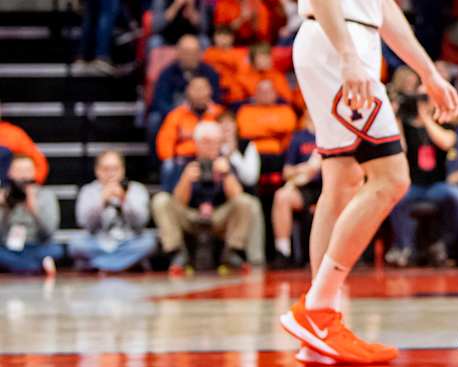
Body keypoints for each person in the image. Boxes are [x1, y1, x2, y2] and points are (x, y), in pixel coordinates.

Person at [278, 0, 458, 366]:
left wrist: (427, 70)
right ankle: (321, 309)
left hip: (349, 42)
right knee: (391, 177)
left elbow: (379, 5)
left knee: (340, 180)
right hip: (338, 45)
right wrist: (347, 55)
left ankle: (319, 327)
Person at [151, 120, 262, 274]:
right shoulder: (184, 163)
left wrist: (227, 174)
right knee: (161, 200)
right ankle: (177, 253)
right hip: (191, 215)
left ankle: (232, 252)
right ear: (195, 143)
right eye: (205, 142)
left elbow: (239, 198)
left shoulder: (227, 163)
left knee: (246, 202)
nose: (210, 147)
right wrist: (186, 180)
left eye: (214, 142)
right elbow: (177, 203)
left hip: (219, 216)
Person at [386, 92, 458, 268]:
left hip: (437, 185)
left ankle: (443, 245)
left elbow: (447, 142)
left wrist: (426, 118)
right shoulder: (405, 125)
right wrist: (395, 120)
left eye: (426, 97)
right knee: (394, 197)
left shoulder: (442, 122)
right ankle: (405, 247)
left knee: (457, 196)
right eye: (419, 98)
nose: (422, 102)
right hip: (412, 185)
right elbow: (400, 150)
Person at [71, 150, 158, 272]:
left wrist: (124, 200)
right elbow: (85, 224)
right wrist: (101, 202)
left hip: (129, 242)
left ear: (123, 170)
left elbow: (141, 222)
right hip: (98, 242)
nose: (111, 174)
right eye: (106, 169)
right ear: (97, 170)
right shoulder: (88, 191)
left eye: (115, 169)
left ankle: (99, 265)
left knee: (149, 242)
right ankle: (126, 265)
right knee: (76, 244)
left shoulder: (136, 189)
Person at [271, 114, 321, 266]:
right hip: (305, 188)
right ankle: (283, 252)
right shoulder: (299, 138)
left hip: (330, 186)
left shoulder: (334, 135)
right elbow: (286, 172)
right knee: (282, 197)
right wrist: (303, 170)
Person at [0, 156, 61, 275]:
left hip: (37, 246)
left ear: (34, 173)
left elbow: (49, 232)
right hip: (9, 248)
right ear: (10, 172)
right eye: (19, 170)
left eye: (27, 170)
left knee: (56, 249)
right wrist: (4, 209)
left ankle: (21, 266)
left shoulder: (46, 195)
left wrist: (35, 210)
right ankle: (35, 265)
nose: (23, 176)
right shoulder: (3, 196)